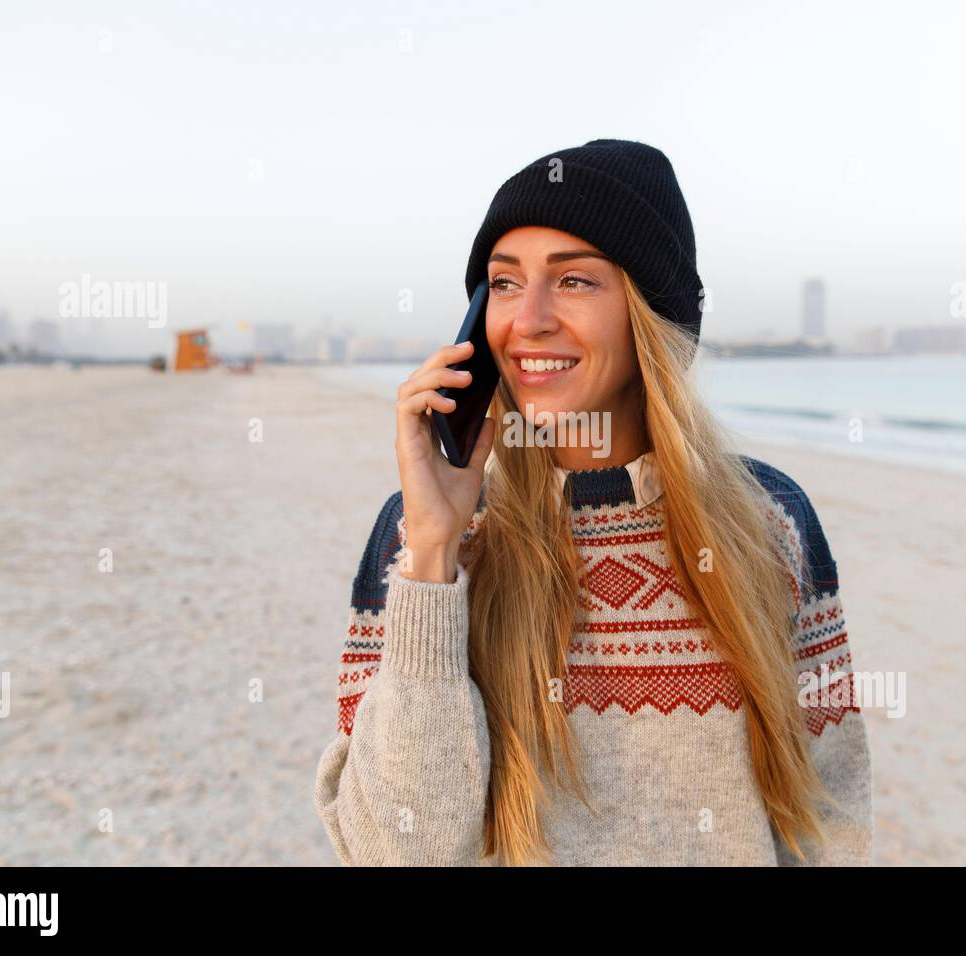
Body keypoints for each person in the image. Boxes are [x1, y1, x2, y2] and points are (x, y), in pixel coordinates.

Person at [313, 139, 873, 866]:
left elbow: (829, 815)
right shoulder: (417, 540)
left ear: (649, 311)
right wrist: (433, 556)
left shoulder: (771, 518)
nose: (529, 320)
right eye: (504, 284)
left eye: (574, 280)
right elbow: (396, 851)